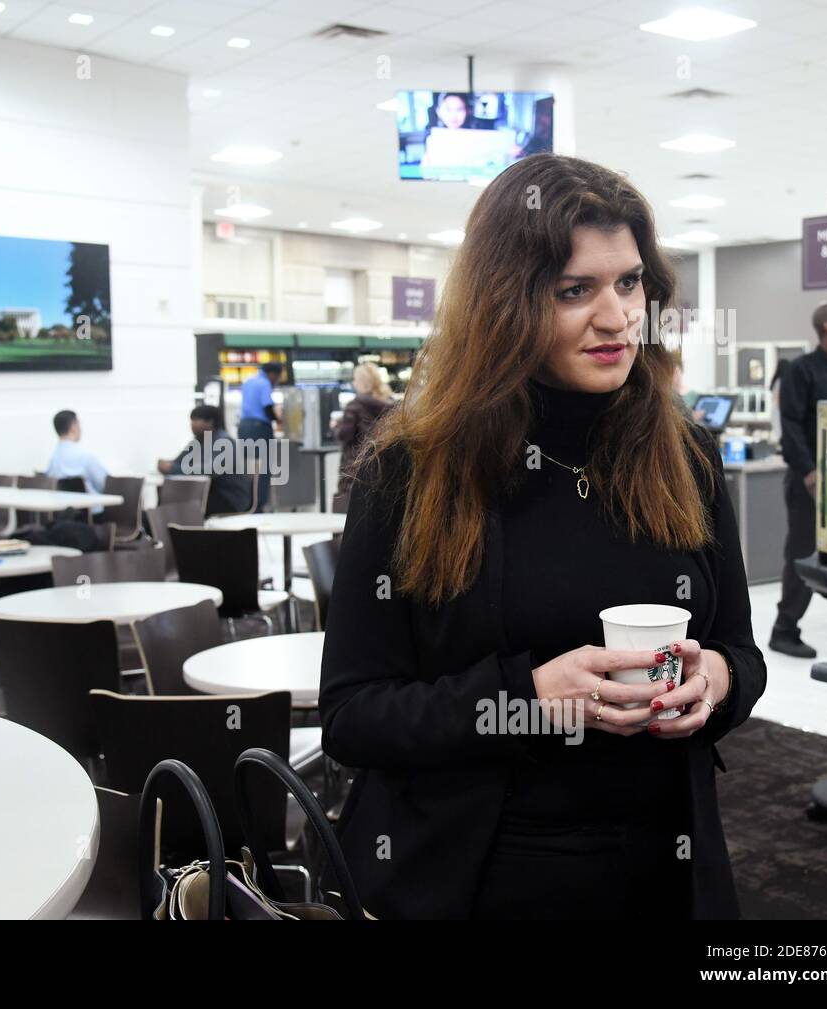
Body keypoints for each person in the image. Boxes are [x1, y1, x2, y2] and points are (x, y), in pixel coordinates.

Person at [320, 154, 765, 920]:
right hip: (480, 872)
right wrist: (524, 697)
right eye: (574, 291)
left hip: (667, 866)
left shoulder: (685, 454)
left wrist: (713, 683)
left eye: (629, 283)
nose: (617, 316)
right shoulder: (410, 470)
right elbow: (353, 714)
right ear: (505, 304)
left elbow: (742, 654)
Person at [771, 302, 827, 659]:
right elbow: (790, 424)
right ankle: (784, 629)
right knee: (804, 552)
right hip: (809, 481)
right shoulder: (801, 370)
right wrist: (809, 472)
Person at [158, 405, 252, 516]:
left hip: (229, 498)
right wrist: (167, 465)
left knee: (177, 507)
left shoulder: (224, 442)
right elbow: (179, 462)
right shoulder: (199, 441)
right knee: (168, 500)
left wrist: (172, 468)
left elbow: (211, 470)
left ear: (210, 422)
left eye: (196, 420)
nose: (192, 425)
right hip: (206, 494)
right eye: (191, 420)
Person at [334, 363, 394, 495]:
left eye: (355, 379)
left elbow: (345, 435)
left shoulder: (354, 406)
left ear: (361, 382)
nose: (354, 383)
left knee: (351, 508)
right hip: (384, 468)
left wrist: (337, 427)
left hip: (356, 467)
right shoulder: (390, 405)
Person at [238, 362, 282, 511]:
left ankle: (247, 504)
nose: (276, 382)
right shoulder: (264, 383)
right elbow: (268, 407)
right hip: (259, 429)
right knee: (262, 470)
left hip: (244, 427)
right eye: (277, 378)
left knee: (249, 469)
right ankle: (259, 507)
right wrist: (280, 420)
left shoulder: (249, 381)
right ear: (273, 374)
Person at [47, 410, 109, 515]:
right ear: (73, 427)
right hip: (92, 515)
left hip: (62, 515)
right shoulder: (85, 456)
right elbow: (105, 484)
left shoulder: (53, 460)